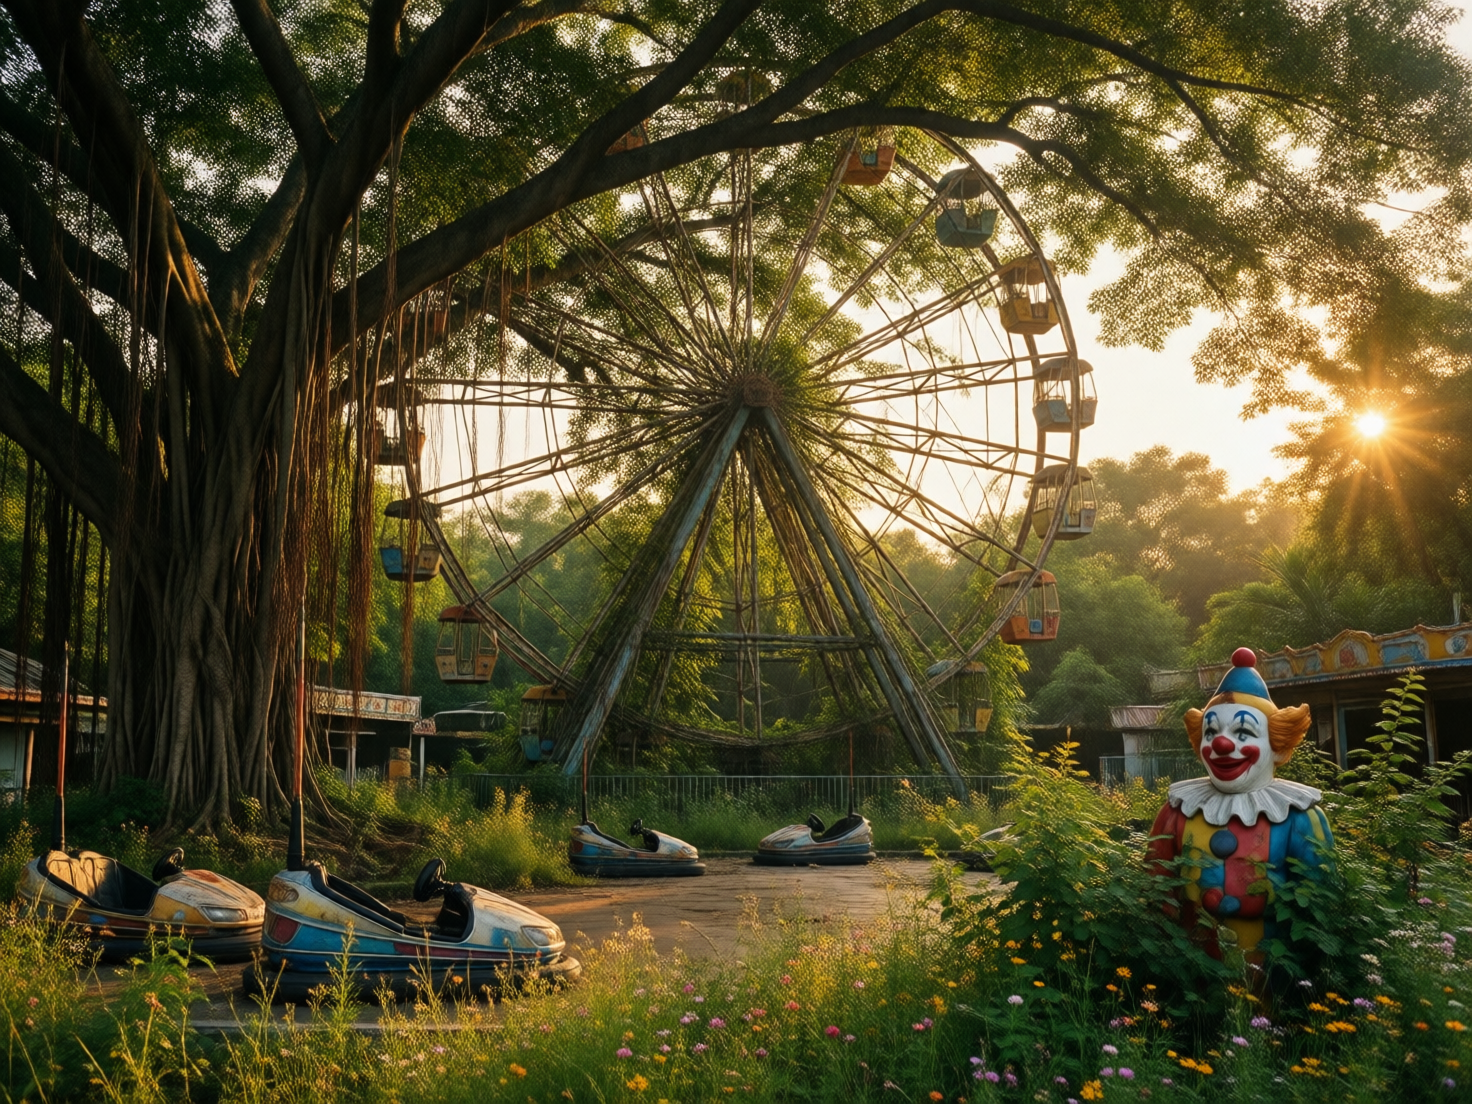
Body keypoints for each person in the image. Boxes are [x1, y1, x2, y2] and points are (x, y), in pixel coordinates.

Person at [1145, 648, 1334, 960]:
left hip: (1275, 977)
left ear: (1277, 746)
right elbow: (1154, 892)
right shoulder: (1177, 813)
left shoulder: (1298, 818)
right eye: (1211, 731)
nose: (1221, 744)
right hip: (1194, 970)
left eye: (1244, 732)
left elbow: (1321, 905)